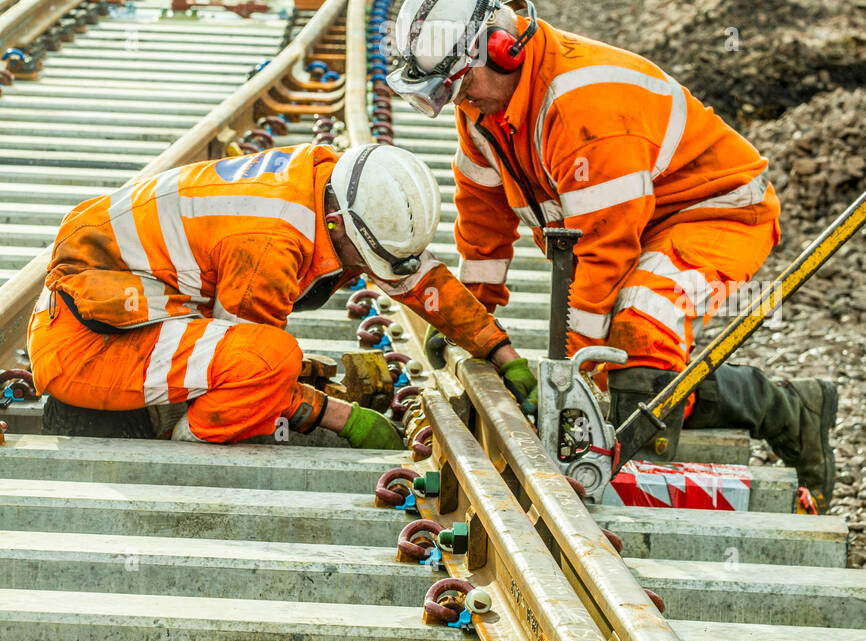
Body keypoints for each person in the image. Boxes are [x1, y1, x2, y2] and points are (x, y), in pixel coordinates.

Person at [385, 0, 838, 509]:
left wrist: (575, 382)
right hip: (633, 218)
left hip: (714, 213)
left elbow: (603, 252)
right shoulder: (487, 105)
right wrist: (475, 311)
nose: (458, 100)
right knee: (620, 365)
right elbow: (483, 207)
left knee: (637, 352)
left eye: (459, 84)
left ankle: (790, 410)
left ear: (502, 49)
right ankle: (649, 407)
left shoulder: (583, 107)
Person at [27, 143, 536, 449]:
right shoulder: (269, 245)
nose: (365, 273)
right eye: (361, 260)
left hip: (126, 313)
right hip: (87, 348)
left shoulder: (326, 182)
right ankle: (185, 447)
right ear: (337, 225)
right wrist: (344, 418)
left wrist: (496, 348)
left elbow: (411, 275)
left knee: (267, 361)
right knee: (273, 359)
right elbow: (260, 370)